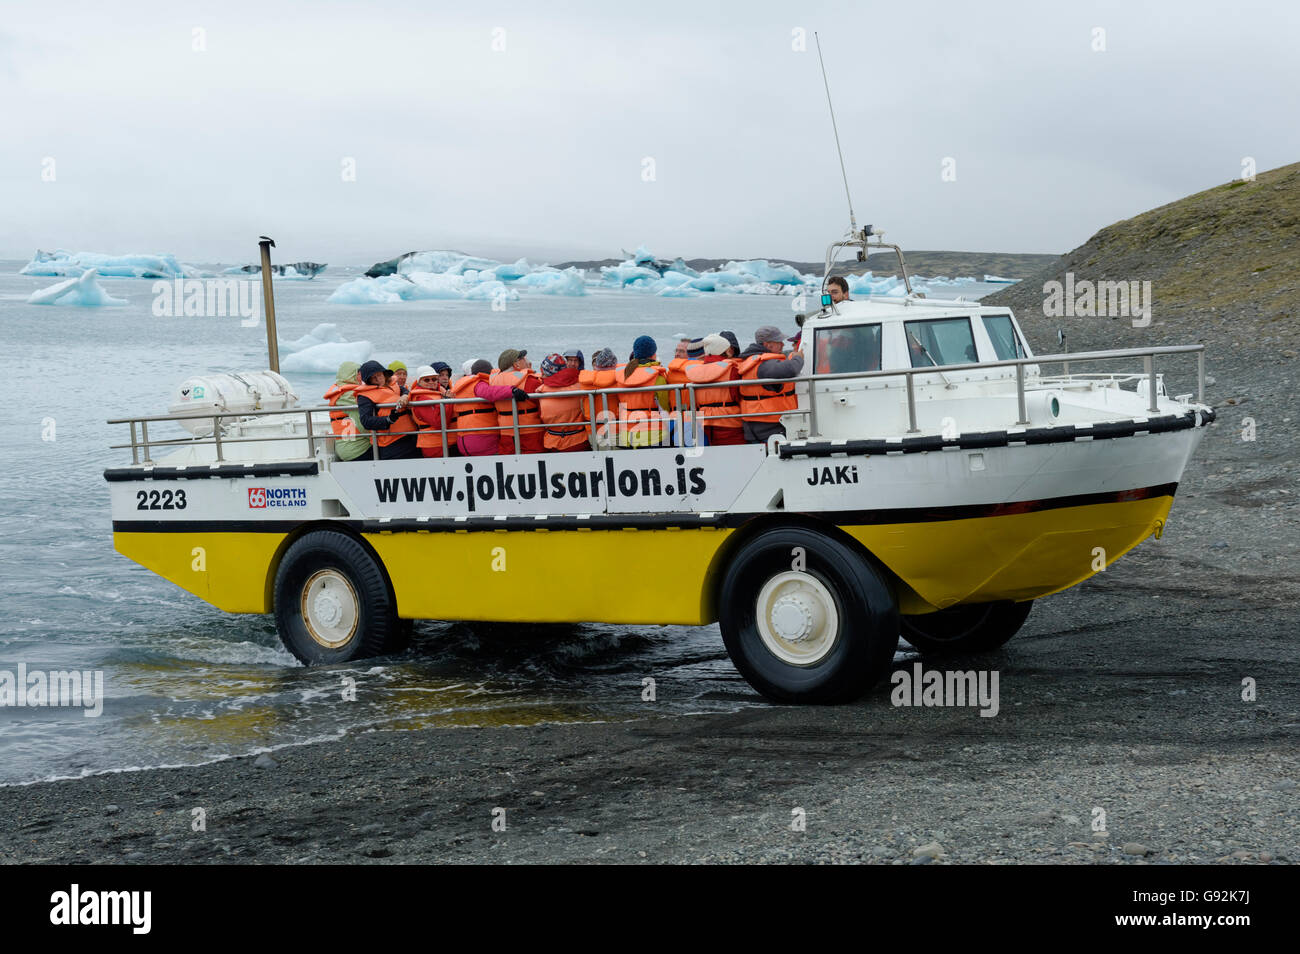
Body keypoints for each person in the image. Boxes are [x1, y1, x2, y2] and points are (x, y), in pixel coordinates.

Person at [736, 326, 803, 443]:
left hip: (757, 422)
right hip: (768, 425)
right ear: (767, 345)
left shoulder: (750, 360)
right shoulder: (764, 364)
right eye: (779, 342)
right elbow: (791, 369)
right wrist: (798, 358)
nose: (783, 345)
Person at [451, 359, 524, 456]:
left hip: (464, 438)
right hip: (481, 438)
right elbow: (488, 392)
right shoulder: (478, 384)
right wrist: (512, 390)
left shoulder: (462, 385)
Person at [685, 335, 745, 445]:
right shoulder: (732, 370)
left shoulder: (695, 372)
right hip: (729, 422)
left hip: (702, 423)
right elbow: (738, 396)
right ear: (723, 350)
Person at [356, 359, 421, 459]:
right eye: (374, 377)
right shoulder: (364, 397)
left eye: (379, 375)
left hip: (411, 437)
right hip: (391, 444)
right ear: (369, 381)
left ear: (384, 374)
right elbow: (365, 421)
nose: (378, 379)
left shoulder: (393, 384)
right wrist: (388, 419)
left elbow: (404, 390)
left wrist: (405, 396)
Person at [615, 335, 671, 448]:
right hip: (654, 434)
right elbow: (664, 408)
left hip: (627, 434)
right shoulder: (658, 378)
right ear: (653, 354)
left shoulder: (623, 377)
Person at [490, 348, 544, 454]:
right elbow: (544, 408)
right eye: (524, 358)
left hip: (506, 433)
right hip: (531, 432)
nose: (528, 361)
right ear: (517, 365)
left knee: (509, 465)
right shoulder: (530, 381)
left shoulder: (492, 382)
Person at [536, 353, 589, 452]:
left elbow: (540, 416)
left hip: (552, 443)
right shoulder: (581, 386)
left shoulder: (540, 391)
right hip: (579, 441)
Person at [323, 361, 373, 461]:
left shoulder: (341, 393)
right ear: (351, 375)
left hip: (346, 447)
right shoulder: (349, 396)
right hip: (357, 449)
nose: (361, 377)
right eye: (358, 374)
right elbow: (363, 424)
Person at [580, 348, 622, 449]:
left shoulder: (584, 383)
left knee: (598, 462)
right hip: (616, 429)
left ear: (597, 364)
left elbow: (582, 407)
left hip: (593, 430)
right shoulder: (620, 381)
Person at [410, 365, 455, 458]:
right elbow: (439, 422)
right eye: (426, 380)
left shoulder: (439, 393)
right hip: (434, 446)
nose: (431, 382)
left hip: (445, 442)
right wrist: (447, 401)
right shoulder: (419, 399)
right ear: (419, 382)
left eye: (434, 379)